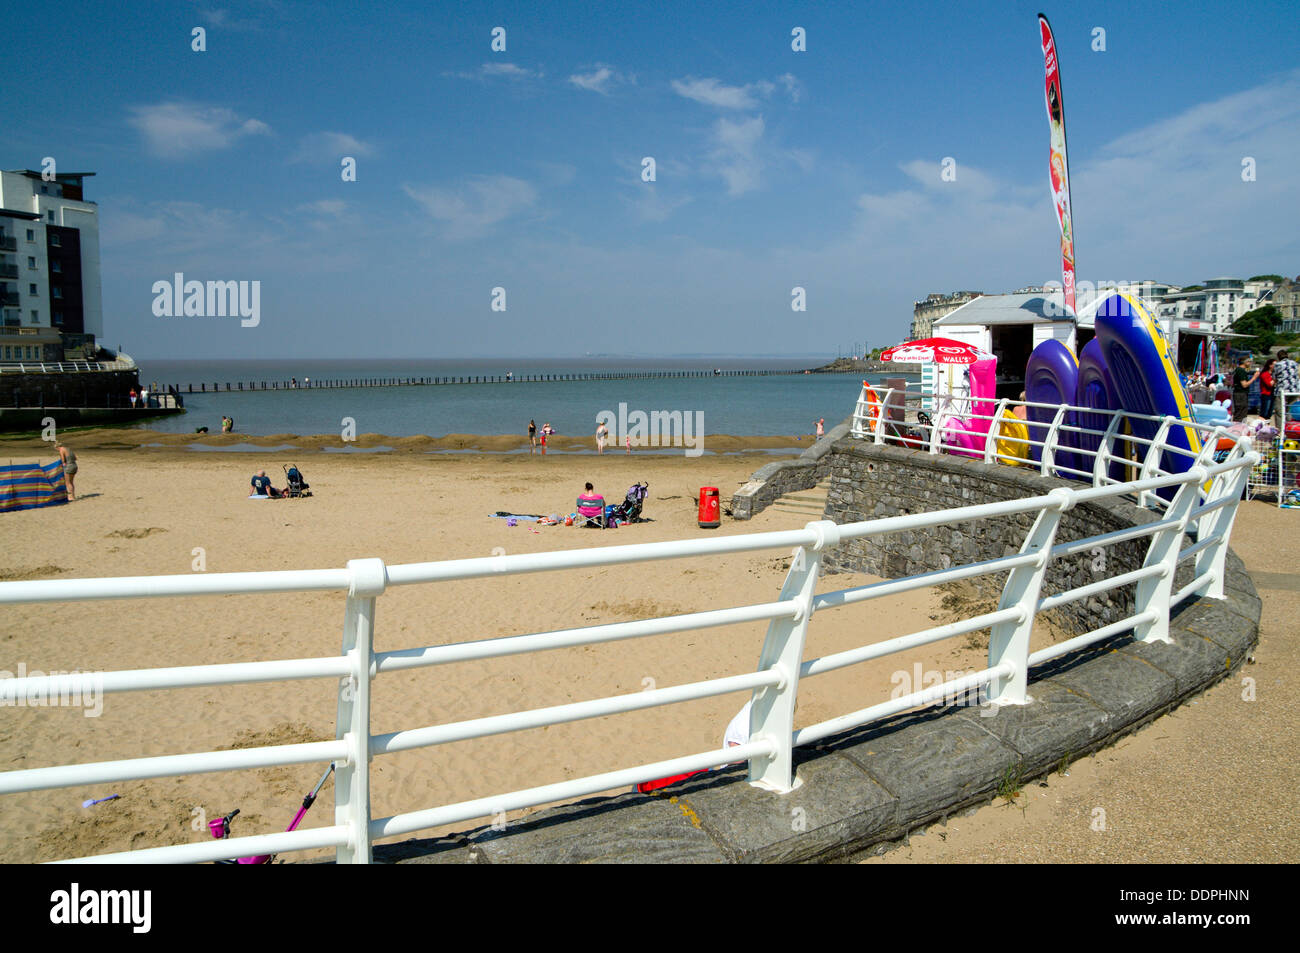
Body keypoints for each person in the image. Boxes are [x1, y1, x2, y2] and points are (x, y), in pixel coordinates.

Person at [1274, 350, 1300, 427]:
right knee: (1290, 410)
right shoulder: (1294, 363)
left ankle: (1280, 430)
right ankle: (1290, 427)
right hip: (1294, 390)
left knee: (1280, 411)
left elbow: (1274, 377)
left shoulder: (1278, 365)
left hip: (1283, 390)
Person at [1231, 357, 1257, 422]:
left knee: (1242, 412)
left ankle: (1240, 426)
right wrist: (1254, 378)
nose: (1250, 363)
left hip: (1241, 393)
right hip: (1240, 394)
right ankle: (1237, 427)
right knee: (1240, 412)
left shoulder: (1240, 370)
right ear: (1244, 362)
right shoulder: (1240, 370)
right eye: (1249, 361)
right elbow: (1244, 384)